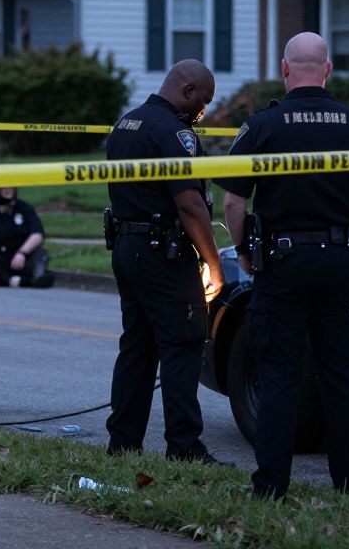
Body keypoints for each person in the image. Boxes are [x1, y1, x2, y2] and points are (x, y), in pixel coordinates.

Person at [215, 32, 349, 501]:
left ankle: (271, 488)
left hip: (282, 264)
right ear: (329, 69)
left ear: (285, 68)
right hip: (339, 262)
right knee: (341, 375)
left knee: (279, 375)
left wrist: (245, 251)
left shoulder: (263, 125)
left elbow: (234, 202)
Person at [105, 59, 225, 463]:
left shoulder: (127, 123)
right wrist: (214, 263)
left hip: (128, 247)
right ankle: (184, 446)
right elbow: (189, 204)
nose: (202, 111)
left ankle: (123, 443)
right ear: (188, 90)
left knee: (137, 347)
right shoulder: (175, 132)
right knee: (183, 343)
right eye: (203, 102)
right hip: (163, 253)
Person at [0, 187, 55, 289]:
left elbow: (37, 235)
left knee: (40, 254)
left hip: (20, 259)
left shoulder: (25, 209)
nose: (8, 190)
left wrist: (22, 252)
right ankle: (17, 281)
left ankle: (35, 278)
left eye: (11, 187)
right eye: (3, 188)